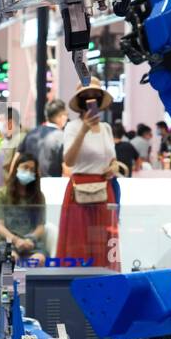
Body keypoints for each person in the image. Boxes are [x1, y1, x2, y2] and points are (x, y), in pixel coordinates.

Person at [57, 79, 119, 270]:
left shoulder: (107, 128)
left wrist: (114, 167)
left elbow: (112, 159)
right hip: (79, 191)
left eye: (95, 96)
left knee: (104, 242)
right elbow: (69, 161)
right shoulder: (73, 127)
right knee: (79, 241)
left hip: (104, 189)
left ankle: (105, 284)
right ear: (80, 102)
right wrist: (83, 130)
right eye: (86, 97)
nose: (91, 100)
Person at [0, 152, 47, 264]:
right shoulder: (1, 194)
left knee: (38, 260)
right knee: (11, 260)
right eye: (25, 167)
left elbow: (41, 227)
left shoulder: (39, 196)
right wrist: (16, 241)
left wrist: (29, 240)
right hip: (6, 242)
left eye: (32, 169)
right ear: (16, 168)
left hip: (31, 243)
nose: (28, 172)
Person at [20, 99, 68, 178]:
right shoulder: (62, 137)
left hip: (31, 185)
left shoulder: (31, 133)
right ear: (61, 116)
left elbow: (17, 158)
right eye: (66, 115)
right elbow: (67, 169)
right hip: (53, 186)